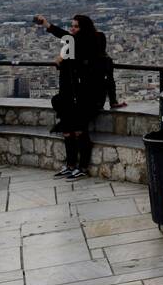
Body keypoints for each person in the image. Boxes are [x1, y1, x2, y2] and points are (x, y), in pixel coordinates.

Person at [33, 13, 107, 179]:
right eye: (72, 25)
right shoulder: (73, 43)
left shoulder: (88, 42)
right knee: (68, 130)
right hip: (69, 93)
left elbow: (66, 41)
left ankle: (82, 166)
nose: (72, 29)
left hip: (84, 95)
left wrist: (47, 25)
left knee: (79, 130)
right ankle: (71, 164)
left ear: (84, 28)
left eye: (76, 26)